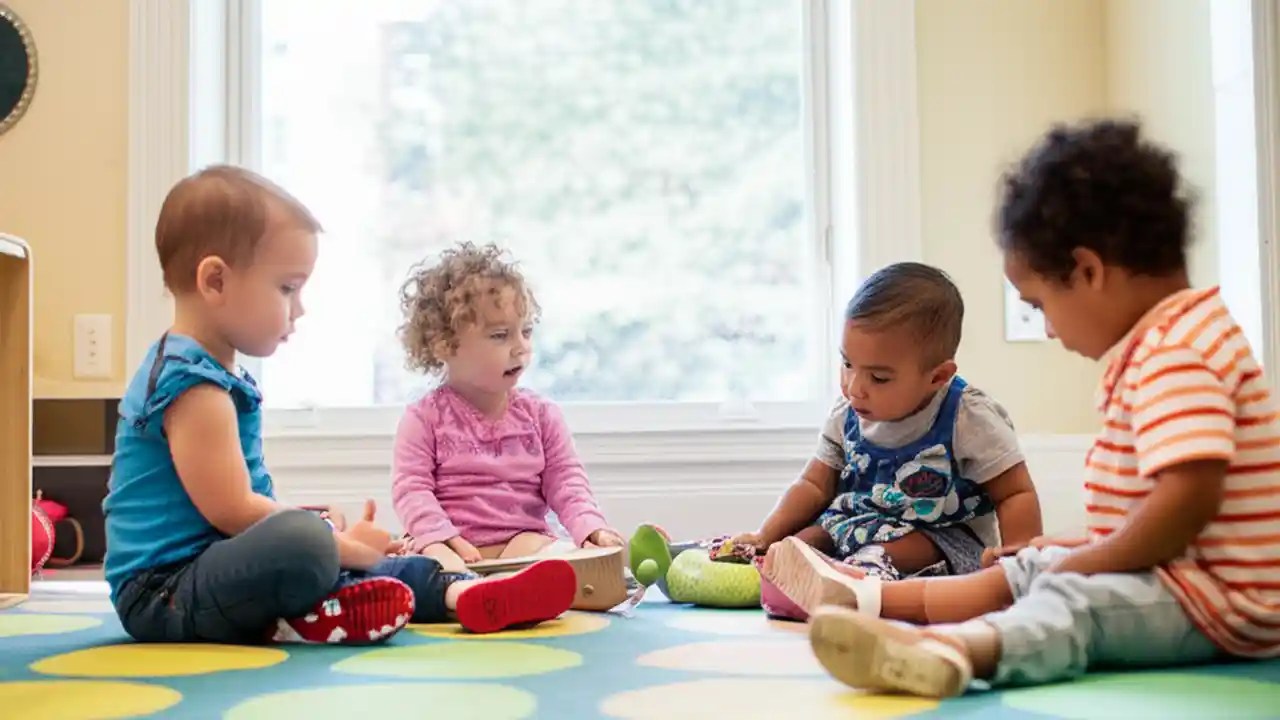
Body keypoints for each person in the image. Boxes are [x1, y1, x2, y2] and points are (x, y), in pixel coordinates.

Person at [805, 118, 1280, 697]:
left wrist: (1090, 560)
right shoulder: (1179, 336)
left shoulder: (1175, 351)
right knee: (1033, 562)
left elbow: (1188, 498)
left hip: (1223, 604)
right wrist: (1079, 546)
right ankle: (870, 597)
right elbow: (1170, 513)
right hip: (1184, 577)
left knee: (1069, 597)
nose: (1049, 330)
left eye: (1040, 306)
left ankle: (958, 651)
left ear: (1088, 272)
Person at [105, 166, 577, 645]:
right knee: (308, 544)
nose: (300, 307)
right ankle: (314, 614)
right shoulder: (193, 387)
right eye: (287, 288)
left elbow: (233, 512)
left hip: (215, 570)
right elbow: (232, 511)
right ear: (215, 282)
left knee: (384, 556)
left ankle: (466, 593)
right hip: (164, 594)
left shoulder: (212, 375)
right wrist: (337, 543)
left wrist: (332, 535)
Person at [738, 263, 1042, 618]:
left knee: (911, 546)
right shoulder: (846, 411)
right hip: (853, 526)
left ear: (937, 377)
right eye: (848, 364)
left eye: (879, 377)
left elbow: (1015, 492)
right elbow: (813, 485)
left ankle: (860, 574)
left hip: (939, 536)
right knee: (805, 540)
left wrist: (1020, 564)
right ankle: (784, 572)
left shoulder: (967, 417)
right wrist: (768, 535)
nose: (854, 387)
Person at [392, 242, 624, 573]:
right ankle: (471, 592)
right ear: (444, 344)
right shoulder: (423, 418)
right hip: (454, 548)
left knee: (570, 560)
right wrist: (437, 538)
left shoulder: (541, 415)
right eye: (501, 335)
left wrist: (590, 528)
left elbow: (567, 482)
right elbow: (412, 489)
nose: (521, 347)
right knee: (422, 567)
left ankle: (513, 590)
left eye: (526, 331)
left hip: (524, 545)